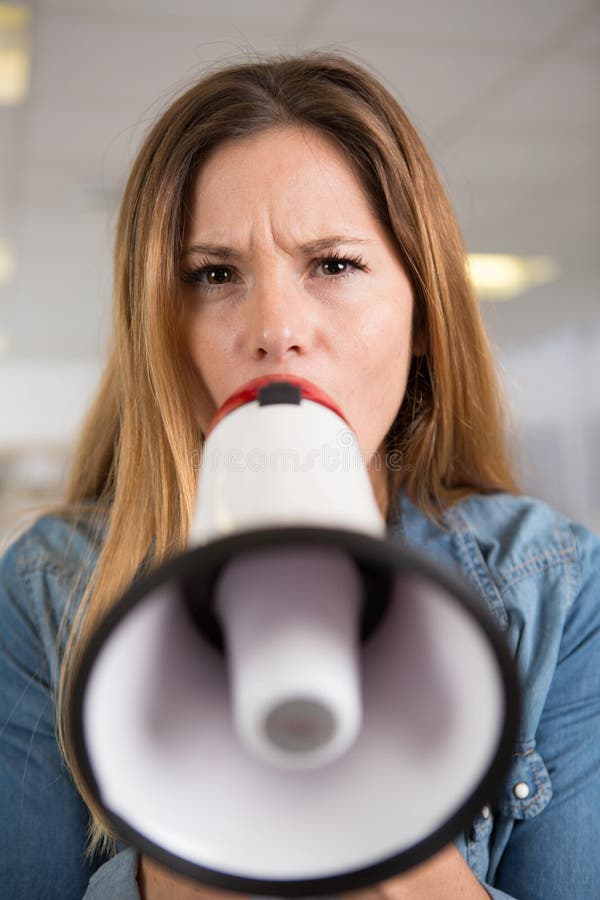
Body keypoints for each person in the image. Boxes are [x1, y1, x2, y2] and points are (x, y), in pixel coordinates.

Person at [1, 51, 598, 900]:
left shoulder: (560, 588)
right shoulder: (47, 589)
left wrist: (375, 810)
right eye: (214, 275)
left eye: (334, 265)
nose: (276, 329)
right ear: (158, 330)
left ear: (423, 315)